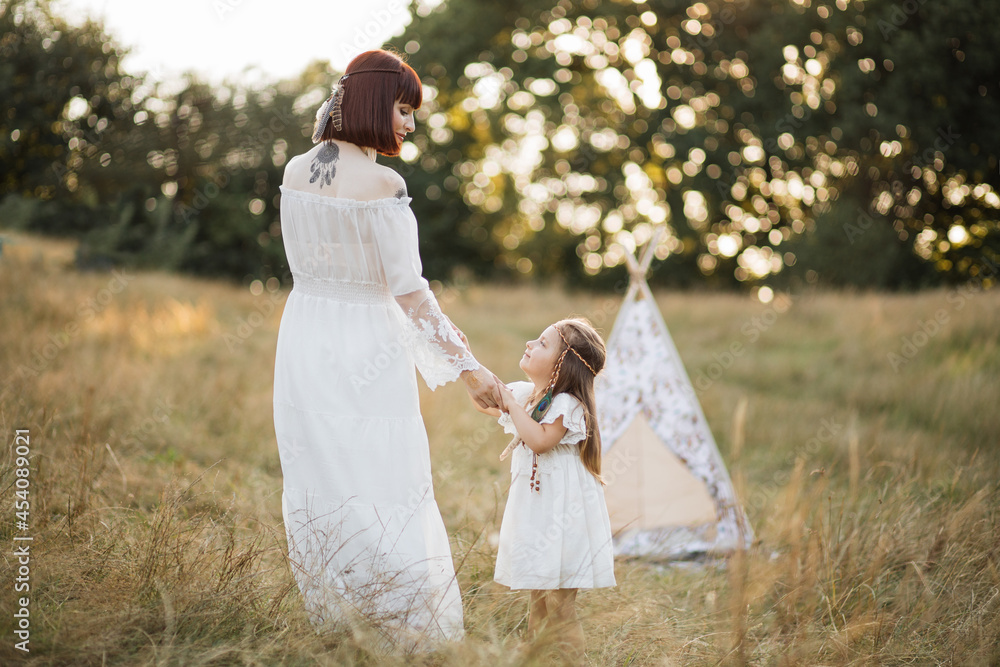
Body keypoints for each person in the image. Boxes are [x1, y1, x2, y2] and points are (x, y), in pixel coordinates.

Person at [272, 49, 502, 652]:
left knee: (321, 477)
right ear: (375, 103)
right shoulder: (382, 182)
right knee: (384, 477)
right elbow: (410, 292)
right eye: (403, 109)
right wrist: (469, 367)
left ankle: (340, 623)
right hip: (364, 342)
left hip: (303, 338)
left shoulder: (296, 169)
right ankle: (401, 627)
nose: (409, 125)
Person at [470, 318, 616, 660]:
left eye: (542, 343)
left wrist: (510, 402)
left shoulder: (567, 405)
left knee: (561, 607)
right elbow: (484, 402)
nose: (530, 344)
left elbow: (539, 441)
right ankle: (536, 657)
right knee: (536, 600)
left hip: (563, 519)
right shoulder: (527, 395)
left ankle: (572, 660)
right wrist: (472, 369)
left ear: (561, 365)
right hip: (536, 514)